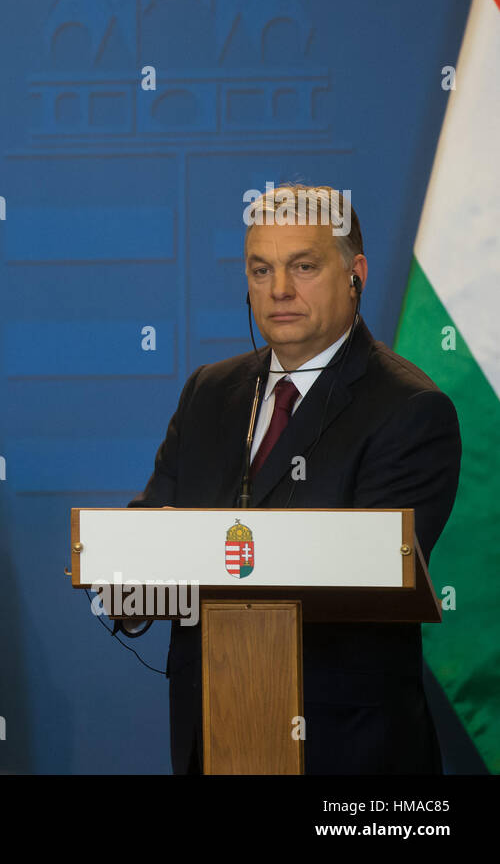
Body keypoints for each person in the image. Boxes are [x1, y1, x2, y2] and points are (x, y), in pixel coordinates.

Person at [130, 184, 461, 774]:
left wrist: (199, 559)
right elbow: (149, 529)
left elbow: (370, 578)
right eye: (262, 269)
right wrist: (130, 583)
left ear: (355, 274)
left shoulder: (409, 409)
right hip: (214, 738)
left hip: (347, 753)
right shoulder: (210, 392)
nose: (279, 289)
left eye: (303, 266)